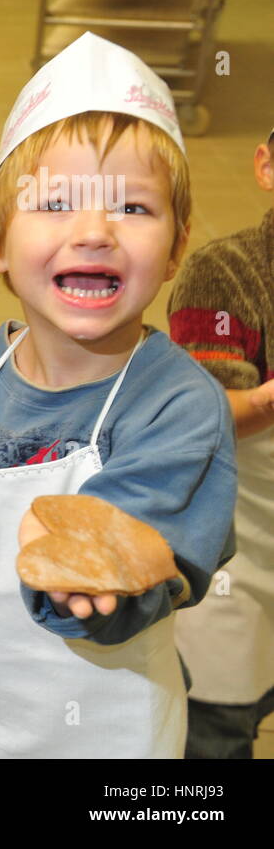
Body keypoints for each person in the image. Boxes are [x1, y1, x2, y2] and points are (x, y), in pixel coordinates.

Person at [0, 32, 237, 759]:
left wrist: (89, 589)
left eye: (132, 208)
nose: (93, 231)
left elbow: (131, 577)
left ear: (177, 245)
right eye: (56, 203)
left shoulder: (180, 408)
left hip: (115, 734)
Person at [167, 125, 274, 759]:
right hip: (240, 569)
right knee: (213, 747)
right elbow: (205, 417)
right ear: (266, 165)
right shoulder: (225, 276)